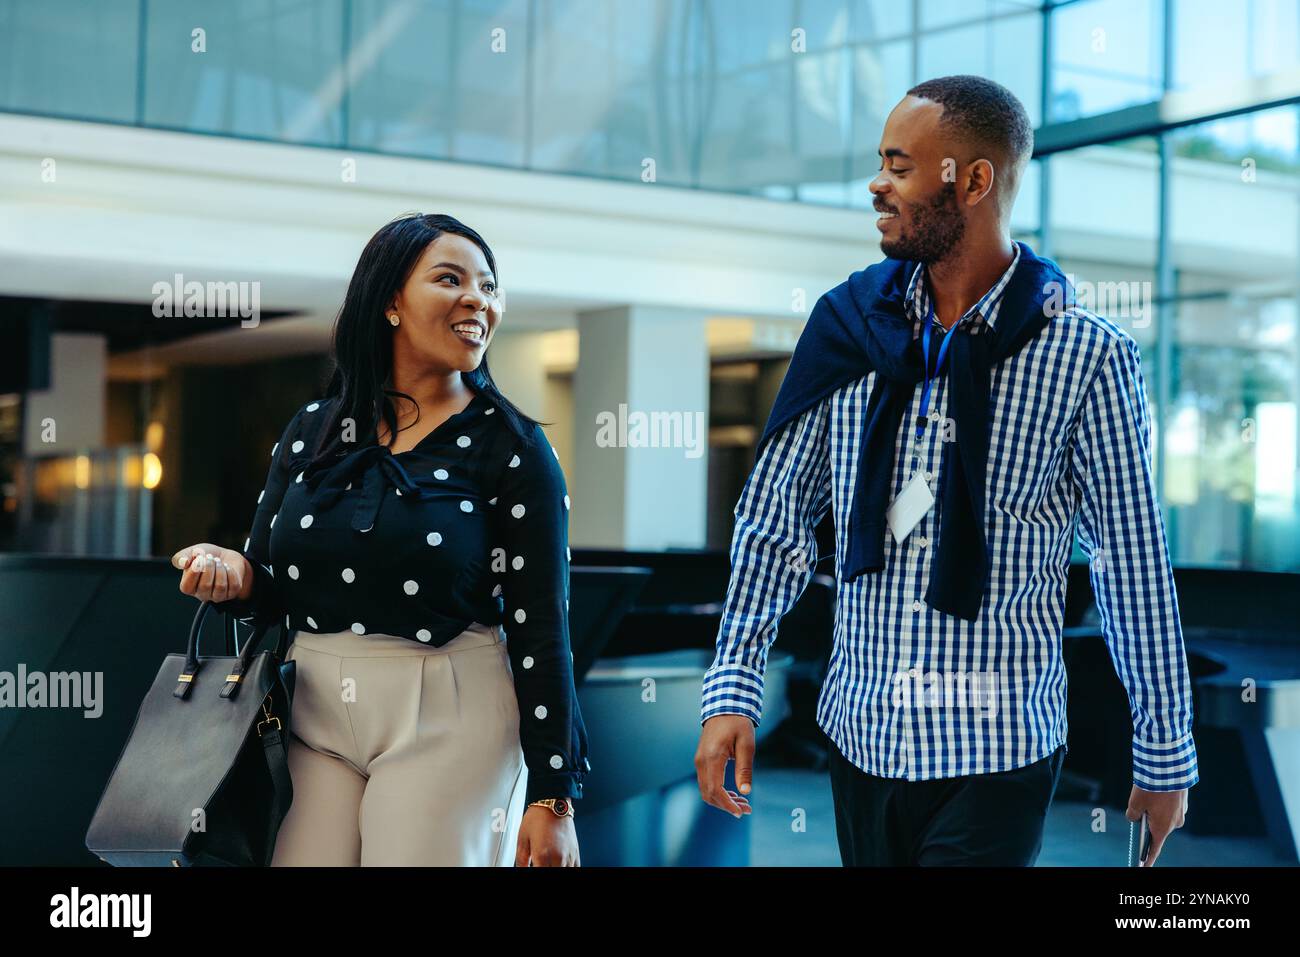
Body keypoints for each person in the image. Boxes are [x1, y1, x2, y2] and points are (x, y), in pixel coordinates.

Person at [694, 75, 1196, 866]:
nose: (876, 184)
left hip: (997, 747)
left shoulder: (1087, 356)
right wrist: (734, 684)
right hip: (859, 733)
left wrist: (1164, 747)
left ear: (973, 180)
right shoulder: (847, 329)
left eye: (899, 166)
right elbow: (776, 520)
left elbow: (1129, 559)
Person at [173, 212, 588, 866]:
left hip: (452, 711)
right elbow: (269, 580)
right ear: (390, 301)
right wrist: (231, 569)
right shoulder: (311, 428)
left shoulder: (512, 445)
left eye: (489, 285)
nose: (479, 298)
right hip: (309, 707)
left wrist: (552, 793)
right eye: (451, 278)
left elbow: (543, 628)